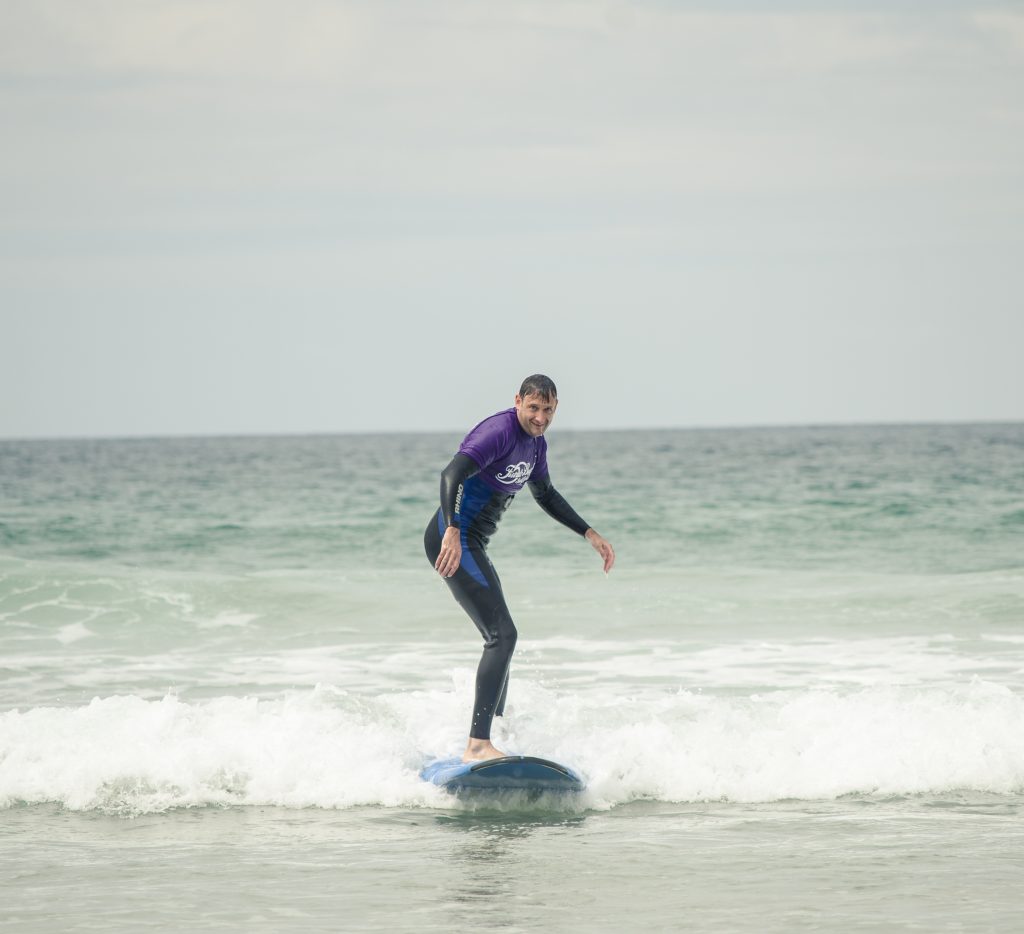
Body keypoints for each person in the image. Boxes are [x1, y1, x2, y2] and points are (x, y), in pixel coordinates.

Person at [423, 374, 615, 762]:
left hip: (473, 542)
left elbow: (545, 493)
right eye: (533, 408)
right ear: (518, 402)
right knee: (503, 635)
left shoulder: (536, 444)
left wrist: (588, 532)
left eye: (548, 410)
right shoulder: (499, 431)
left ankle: (493, 736)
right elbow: (451, 474)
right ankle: (477, 745)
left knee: (501, 639)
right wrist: (453, 531)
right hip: (453, 539)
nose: (540, 417)